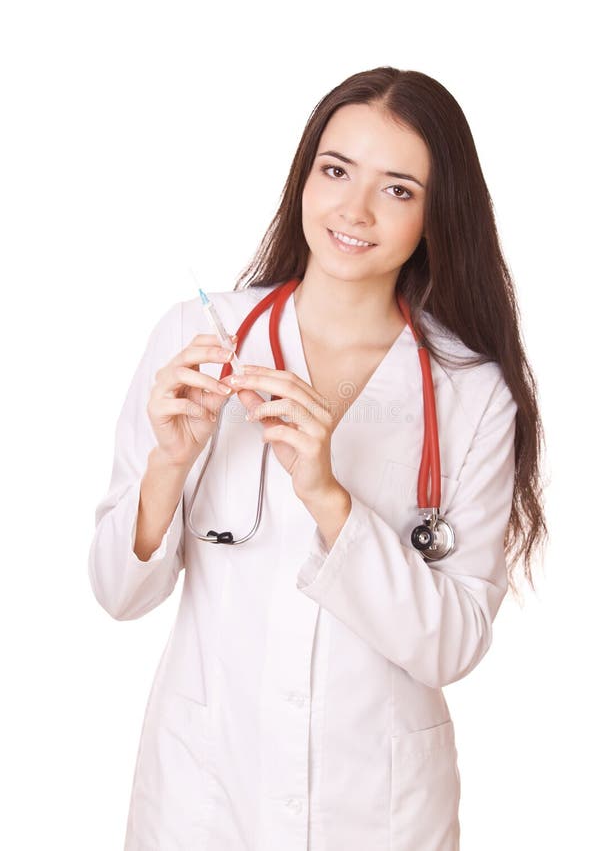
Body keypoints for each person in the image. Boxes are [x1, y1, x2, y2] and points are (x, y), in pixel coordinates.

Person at [88, 67, 548, 850]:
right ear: (305, 175)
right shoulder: (201, 343)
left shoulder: (471, 394)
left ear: (439, 215)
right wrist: (167, 467)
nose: (354, 210)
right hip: (206, 792)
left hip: (375, 806)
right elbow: (117, 594)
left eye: (398, 189)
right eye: (335, 171)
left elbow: (455, 643)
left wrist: (328, 497)